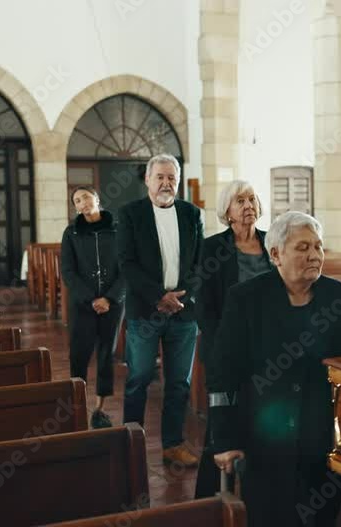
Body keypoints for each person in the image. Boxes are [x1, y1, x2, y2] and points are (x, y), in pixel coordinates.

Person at [210, 211, 341, 526]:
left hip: (321, 443)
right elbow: (223, 373)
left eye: (319, 247)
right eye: (303, 247)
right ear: (276, 254)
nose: (314, 255)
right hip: (264, 445)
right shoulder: (246, 299)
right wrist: (225, 440)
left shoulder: (340, 298)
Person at [117, 153, 204, 468]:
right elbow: (126, 263)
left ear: (178, 181)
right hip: (145, 310)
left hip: (183, 311)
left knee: (178, 383)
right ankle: (131, 441)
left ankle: (172, 444)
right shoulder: (130, 214)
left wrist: (181, 296)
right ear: (148, 180)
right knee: (139, 377)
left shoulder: (193, 214)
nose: (166, 183)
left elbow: (199, 263)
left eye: (172, 178)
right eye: (160, 177)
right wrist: (158, 296)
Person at [194, 180, 272, 498]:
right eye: (239, 200)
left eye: (252, 198)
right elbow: (204, 308)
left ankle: (258, 497)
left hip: (269, 351)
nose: (248, 205)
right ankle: (207, 500)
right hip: (227, 350)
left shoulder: (272, 242)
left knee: (264, 424)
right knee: (221, 427)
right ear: (227, 210)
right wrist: (222, 350)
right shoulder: (212, 248)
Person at [60, 186, 125, 429]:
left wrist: (110, 298)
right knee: (79, 353)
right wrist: (90, 299)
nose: (82, 202)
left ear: (97, 198)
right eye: (77, 200)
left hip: (113, 304)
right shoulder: (72, 233)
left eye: (86, 197)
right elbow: (68, 271)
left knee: (106, 355)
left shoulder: (118, 230)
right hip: (82, 304)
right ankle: (76, 406)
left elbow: (127, 267)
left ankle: (99, 410)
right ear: (75, 207)